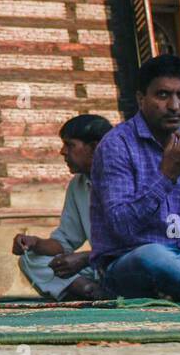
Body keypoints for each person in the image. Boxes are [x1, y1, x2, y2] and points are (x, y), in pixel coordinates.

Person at [89, 54, 180, 301]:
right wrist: (167, 176)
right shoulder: (116, 145)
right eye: (163, 95)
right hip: (126, 264)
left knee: (177, 266)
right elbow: (122, 227)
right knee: (154, 256)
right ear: (141, 99)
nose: (175, 106)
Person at [11, 114, 111, 301]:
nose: (62, 152)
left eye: (70, 145)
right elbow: (64, 241)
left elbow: (135, 245)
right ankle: (91, 290)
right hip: (99, 268)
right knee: (31, 259)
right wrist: (34, 243)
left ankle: (89, 291)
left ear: (94, 148)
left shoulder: (124, 179)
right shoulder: (78, 185)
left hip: (125, 262)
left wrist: (85, 258)